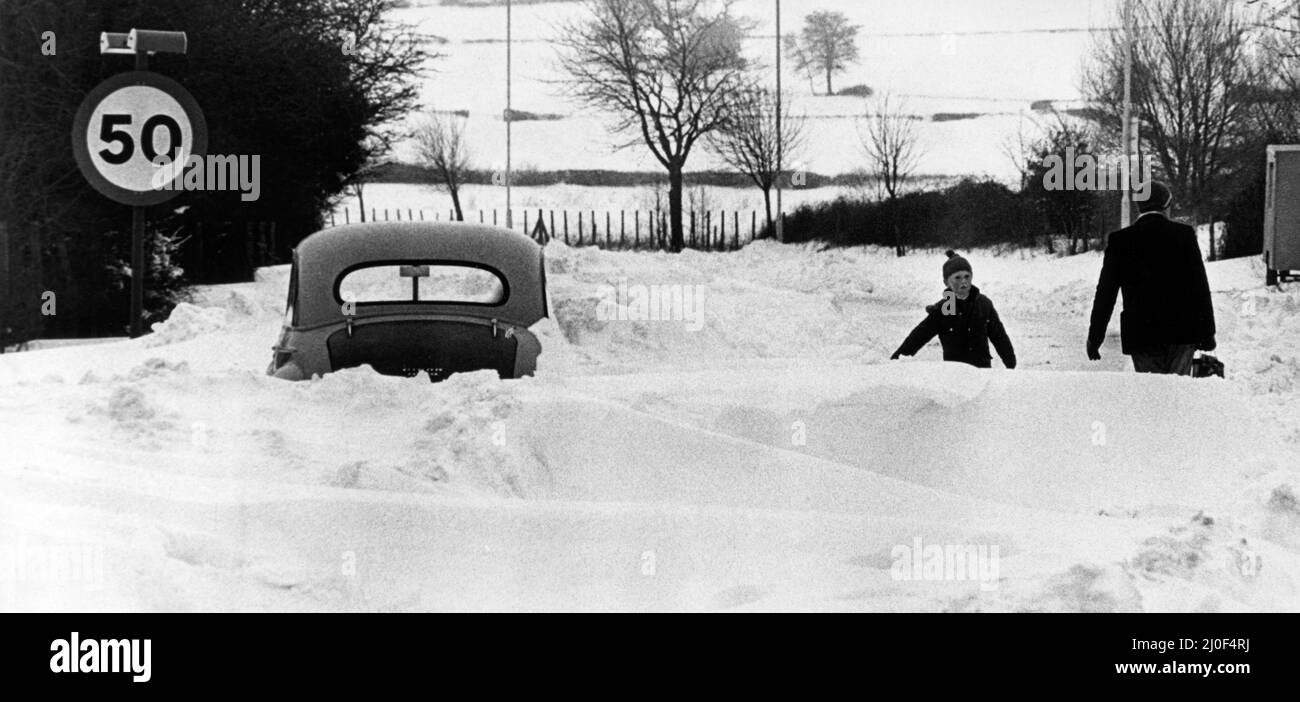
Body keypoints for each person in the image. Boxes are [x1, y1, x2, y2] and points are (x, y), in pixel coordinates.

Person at [1086, 181, 1216, 375]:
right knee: (1176, 394)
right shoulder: (1184, 235)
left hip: (1142, 334)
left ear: (1139, 207)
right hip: (1182, 332)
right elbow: (1200, 288)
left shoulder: (1121, 241)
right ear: (1166, 206)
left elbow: (1106, 293)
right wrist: (1208, 333)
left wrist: (1095, 337)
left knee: (1152, 395)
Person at [891, 250, 1017, 369]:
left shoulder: (983, 304)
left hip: (982, 371)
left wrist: (1010, 363)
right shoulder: (944, 309)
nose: (964, 281)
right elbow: (919, 335)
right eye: (957, 277)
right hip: (954, 374)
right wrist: (897, 359)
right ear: (946, 282)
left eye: (967, 276)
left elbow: (999, 336)